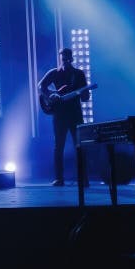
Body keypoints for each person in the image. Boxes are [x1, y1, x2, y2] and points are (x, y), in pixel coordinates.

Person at [38, 47, 90, 186]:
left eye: (67, 58)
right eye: (63, 59)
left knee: (79, 145)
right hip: (59, 114)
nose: (65, 61)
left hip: (75, 113)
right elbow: (41, 86)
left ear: (71, 58)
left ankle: (83, 178)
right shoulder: (54, 73)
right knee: (58, 146)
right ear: (60, 59)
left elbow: (85, 97)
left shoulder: (78, 74)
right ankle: (59, 178)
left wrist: (85, 94)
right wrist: (51, 95)